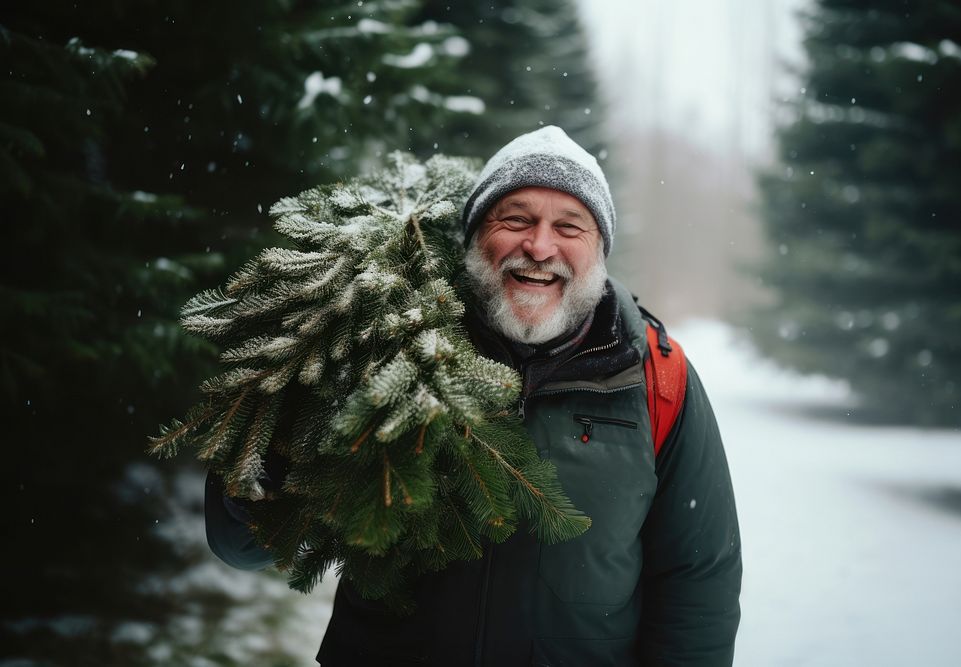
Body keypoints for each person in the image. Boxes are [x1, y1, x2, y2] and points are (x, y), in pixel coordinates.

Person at [205, 126, 742, 666]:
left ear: (600, 250)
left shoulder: (656, 378)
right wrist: (292, 413)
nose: (540, 247)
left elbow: (699, 578)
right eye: (516, 219)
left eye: (569, 226)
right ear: (475, 235)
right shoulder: (385, 344)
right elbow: (243, 545)